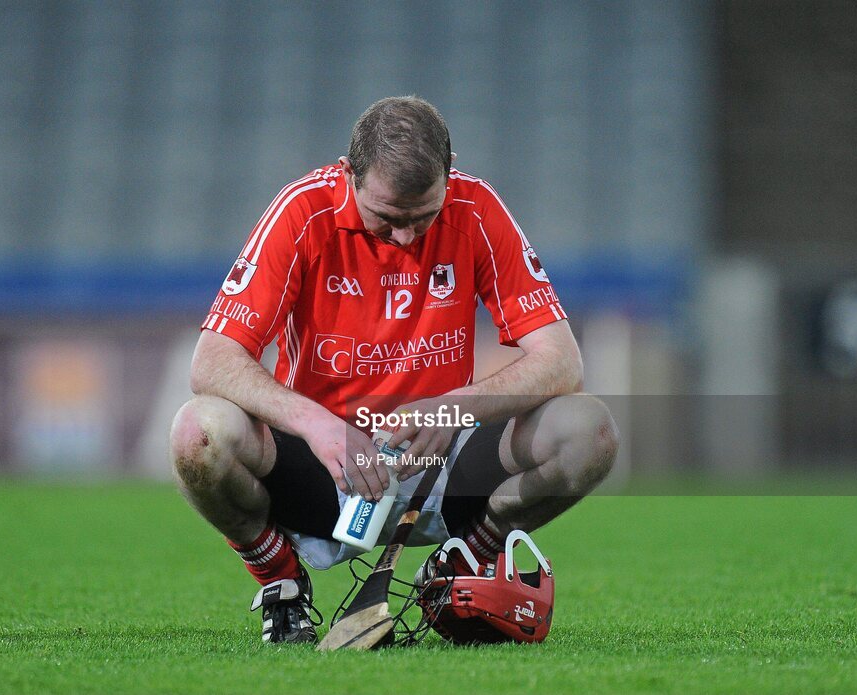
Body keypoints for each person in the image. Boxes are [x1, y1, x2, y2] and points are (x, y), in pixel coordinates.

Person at [169, 96, 618, 644]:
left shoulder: (476, 210)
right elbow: (212, 362)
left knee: (588, 430)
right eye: (386, 217)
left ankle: (461, 562)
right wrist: (318, 425)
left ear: (448, 177)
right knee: (197, 433)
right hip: (322, 466)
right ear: (348, 174)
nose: (405, 237)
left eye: (422, 216)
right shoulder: (302, 212)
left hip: (441, 463)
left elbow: (562, 360)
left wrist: (456, 407)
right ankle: (281, 582)